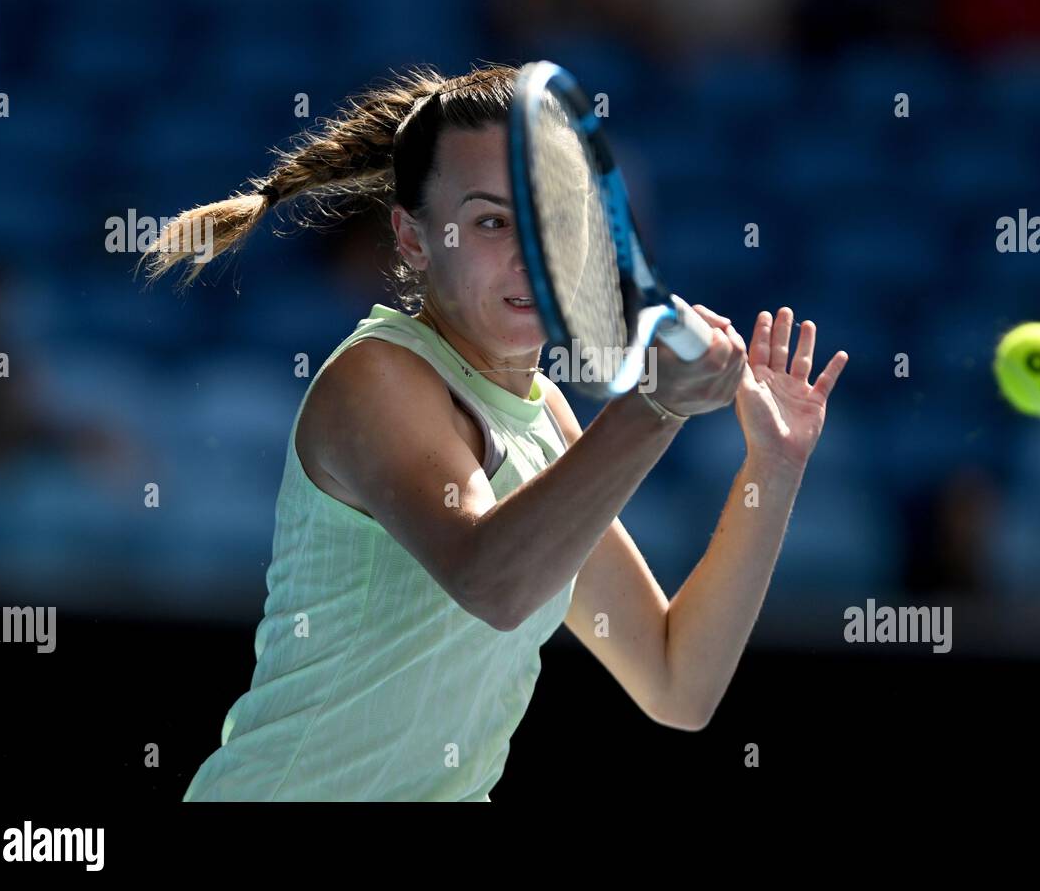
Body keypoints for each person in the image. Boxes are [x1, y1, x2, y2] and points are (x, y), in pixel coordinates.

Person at [139, 63, 847, 800]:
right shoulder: (375, 379)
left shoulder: (550, 422)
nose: (531, 253)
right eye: (490, 221)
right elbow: (491, 580)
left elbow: (677, 683)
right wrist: (654, 407)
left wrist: (774, 463)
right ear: (412, 240)